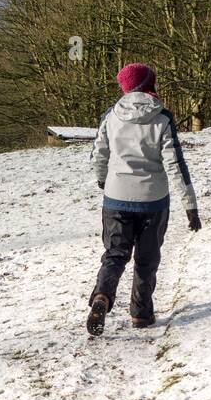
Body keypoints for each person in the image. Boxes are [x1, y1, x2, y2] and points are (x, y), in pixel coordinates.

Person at [86, 62, 201, 337]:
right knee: (147, 259)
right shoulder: (162, 118)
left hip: (115, 198)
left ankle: (102, 295)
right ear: (149, 84)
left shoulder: (110, 116)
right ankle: (141, 313)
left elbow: (98, 155)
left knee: (115, 255)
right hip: (153, 201)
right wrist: (191, 206)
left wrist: (103, 180)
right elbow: (176, 164)